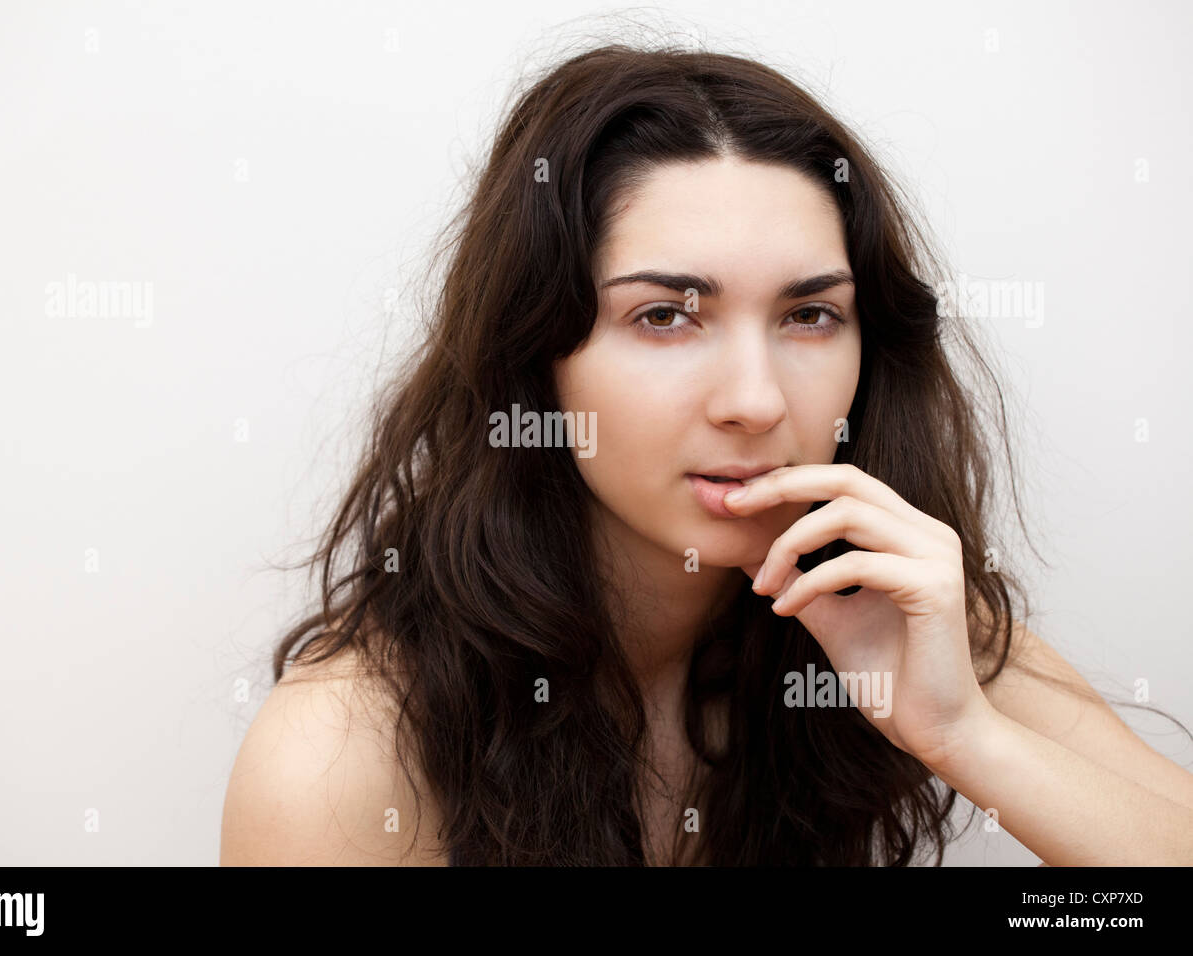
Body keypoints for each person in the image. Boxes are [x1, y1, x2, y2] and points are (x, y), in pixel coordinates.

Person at [220, 42, 1193, 866]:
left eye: (810, 314)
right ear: (534, 359)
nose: (756, 400)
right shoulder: (338, 757)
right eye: (664, 317)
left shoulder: (888, 603)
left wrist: (962, 735)